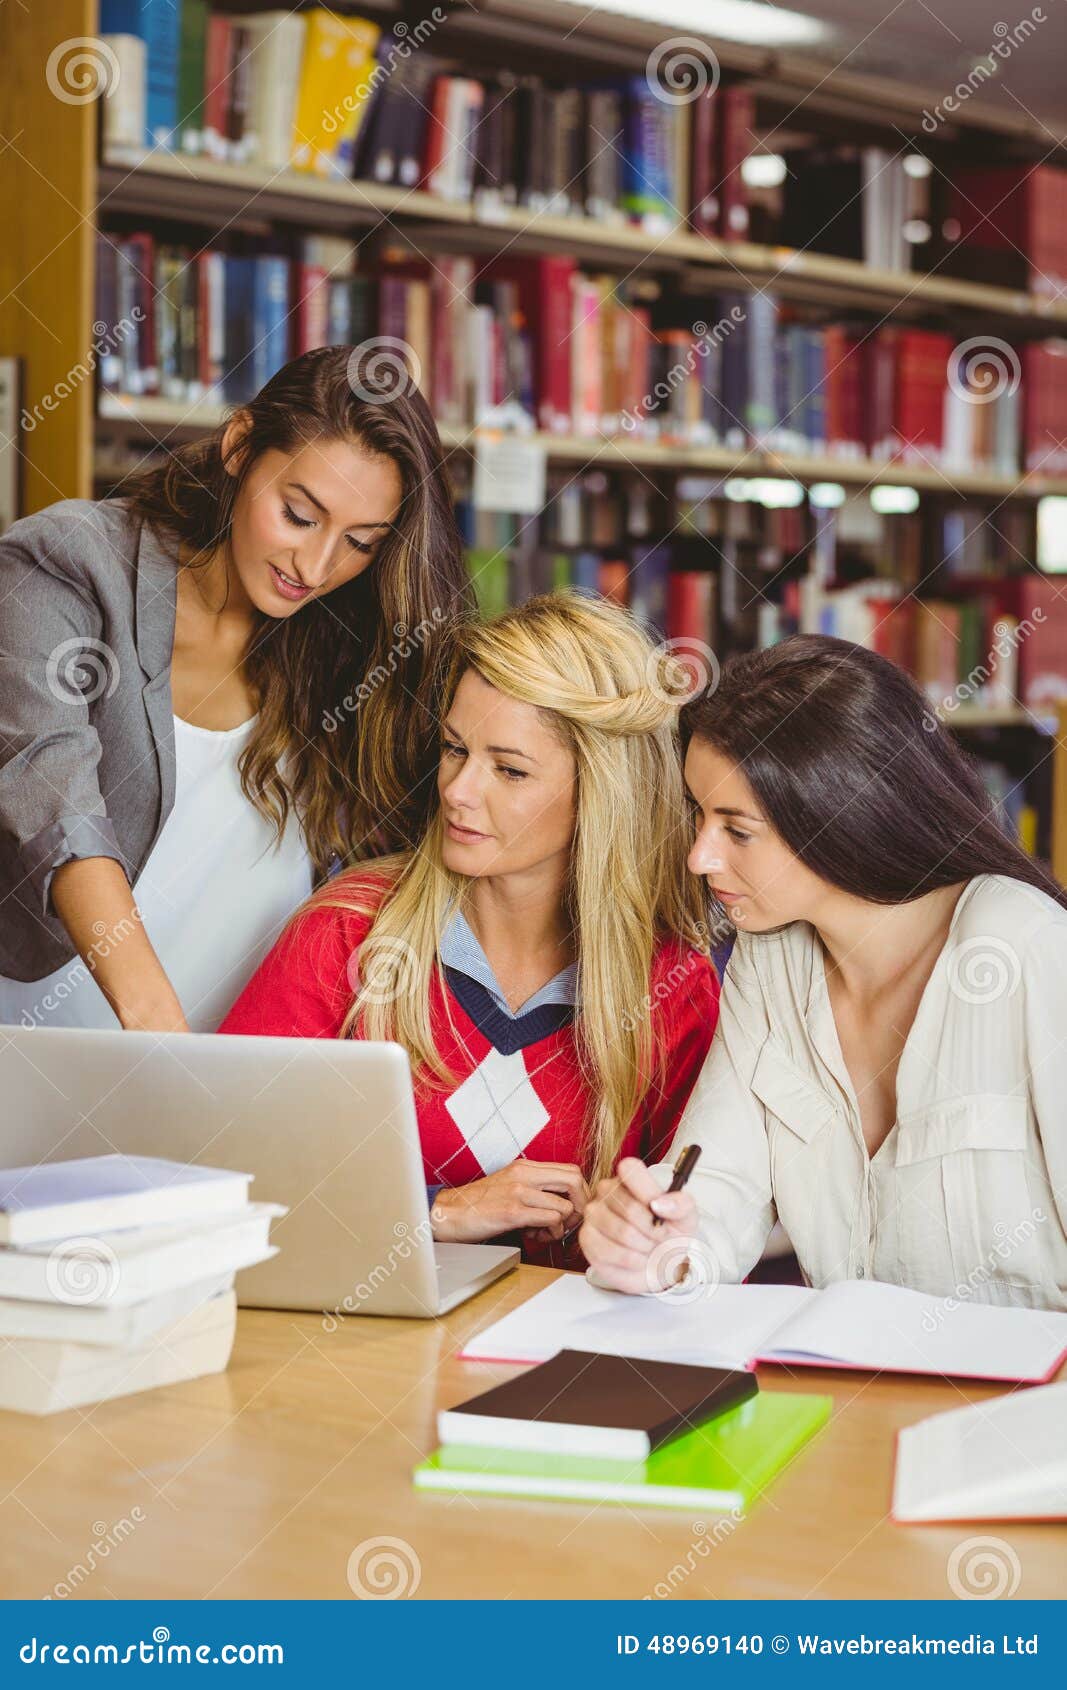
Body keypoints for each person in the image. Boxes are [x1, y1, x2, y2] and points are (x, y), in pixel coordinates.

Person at [220, 593, 719, 1267]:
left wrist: (641, 1236)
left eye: (509, 769)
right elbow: (222, 1169)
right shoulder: (347, 930)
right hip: (356, 1352)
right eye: (455, 750)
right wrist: (436, 1210)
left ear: (602, 794)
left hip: (565, 1360)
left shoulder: (672, 985)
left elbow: (703, 1225)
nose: (456, 790)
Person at [580, 634, 1067, 1311]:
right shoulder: (767, 960)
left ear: (843, 812)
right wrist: (649, 1240)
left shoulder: (1024, 945)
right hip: (849, 1396)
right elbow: (714, 1188)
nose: (698, 858)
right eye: (699, 817)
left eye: (737, 831)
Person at [0, 346, 471, 1032]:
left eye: (361, 541)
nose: (314, 566)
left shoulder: (354, 641)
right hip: (39, 1051)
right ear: (240, 445)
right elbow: (52, 792)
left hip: (234, 1083)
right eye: (299, 515)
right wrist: (153, 1016)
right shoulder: (69, 563)